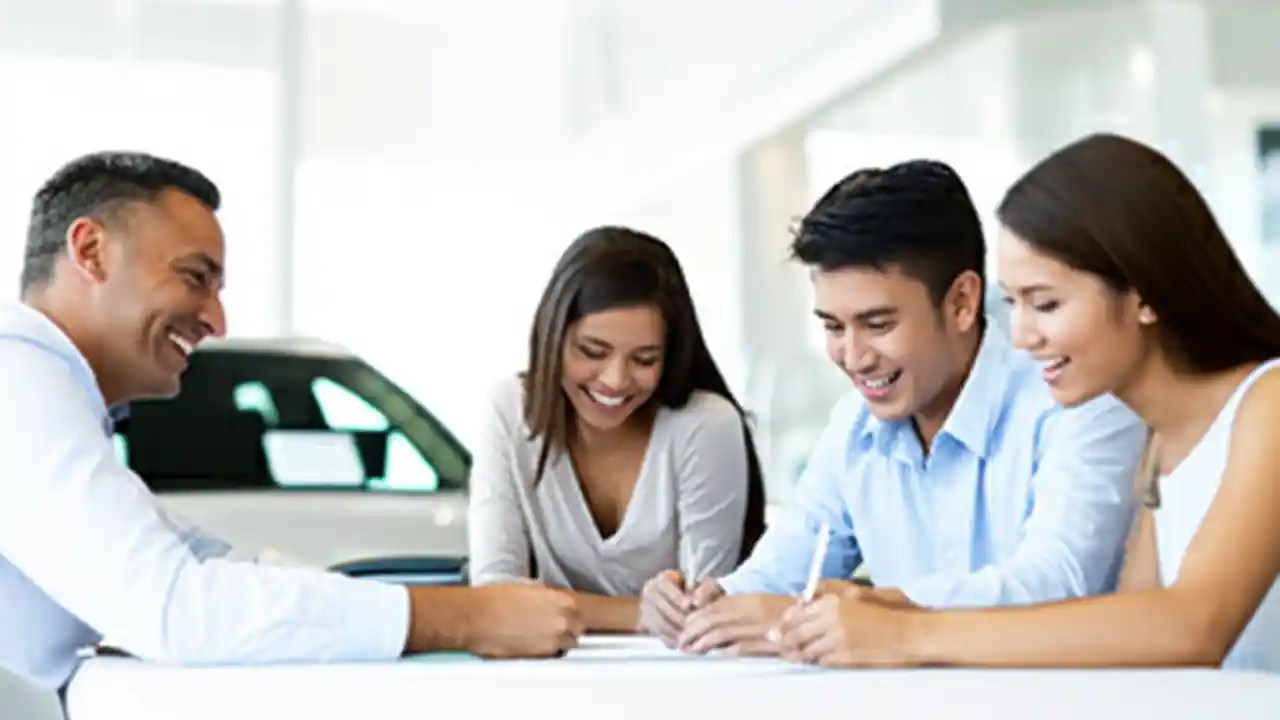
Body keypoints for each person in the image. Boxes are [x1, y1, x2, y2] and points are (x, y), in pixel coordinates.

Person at [0, 151, 583, 694]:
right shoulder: (14, 380)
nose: (216, 319)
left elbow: (202, 567)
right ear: (92, 250)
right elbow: (178, 606)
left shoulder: (50, 394)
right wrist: (465, 619)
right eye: (195, 277)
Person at [775, 133, 1280, 672]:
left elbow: (1192, 627)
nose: (1021, 337)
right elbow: (1136, 631)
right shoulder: (1163, 441)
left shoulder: (1268, 403)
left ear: (1143, 293)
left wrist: (908, 632)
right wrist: (888, 605)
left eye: (1046, 304)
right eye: (1014, 303)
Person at [657, 159, 1148, 656]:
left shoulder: (1076, 397)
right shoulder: (854, 425)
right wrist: (705, 602)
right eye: (832, 327)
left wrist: (875, 614)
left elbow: (1057, 582)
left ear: (961, 302)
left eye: (877, 323)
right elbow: (782, 575)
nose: (853, 356)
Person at [467, 226, 766, 635]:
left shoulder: (704, 425)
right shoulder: (509, 409)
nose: (614, 380)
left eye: (644, 359)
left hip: (680, 674)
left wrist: (550, 606)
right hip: (547, 670)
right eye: (592, 352)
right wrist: (640, 614)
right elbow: (493, 596)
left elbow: (703, 611)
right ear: (552, 337)